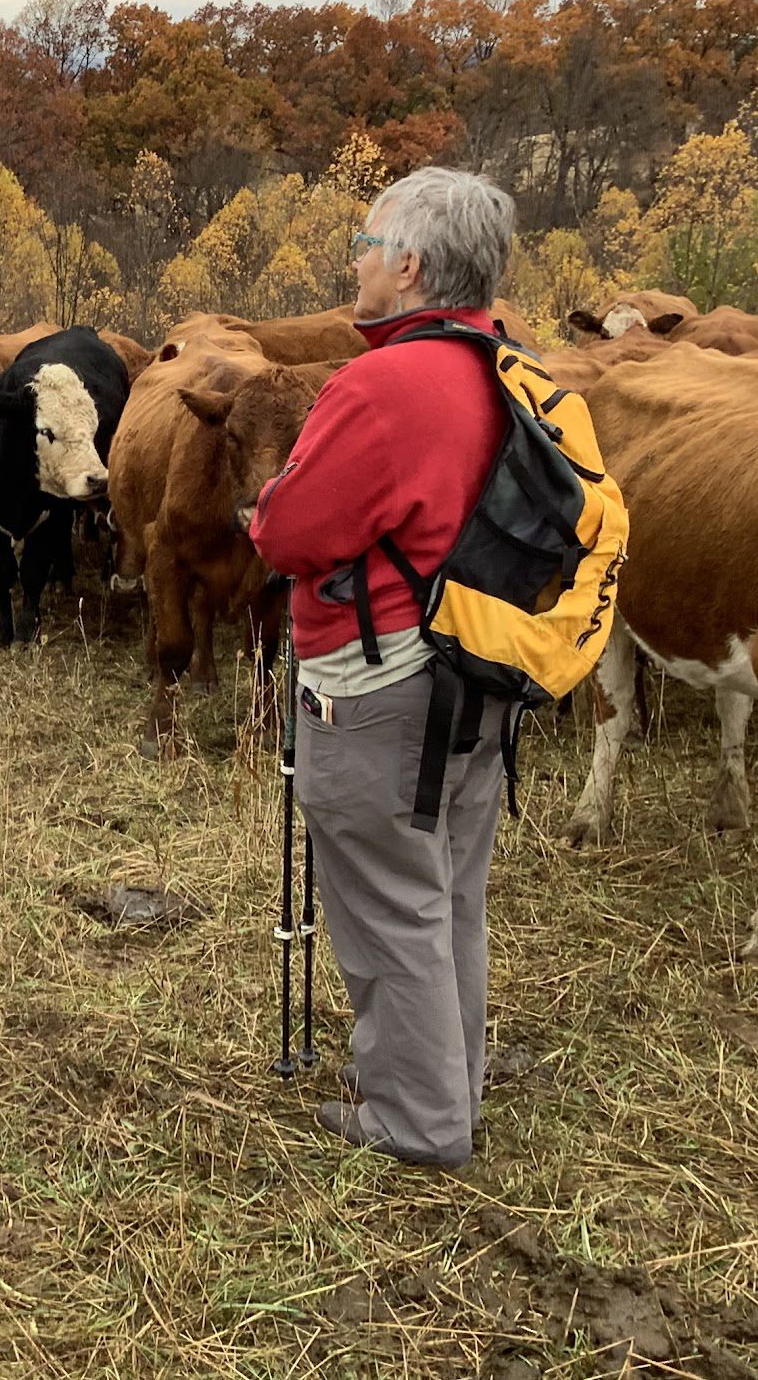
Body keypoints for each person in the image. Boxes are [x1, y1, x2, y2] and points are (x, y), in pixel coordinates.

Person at [245, 167, 518, 1168]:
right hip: (477, 671)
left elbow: (290, 529)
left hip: (379, 684)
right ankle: (445, 1075)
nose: (353, 260)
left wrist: (269, 503)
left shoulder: (382, 383)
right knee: (445, 886)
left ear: (406, 264)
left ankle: (415, 1118)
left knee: (384, 900)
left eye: (365, 241)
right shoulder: (503, 364)